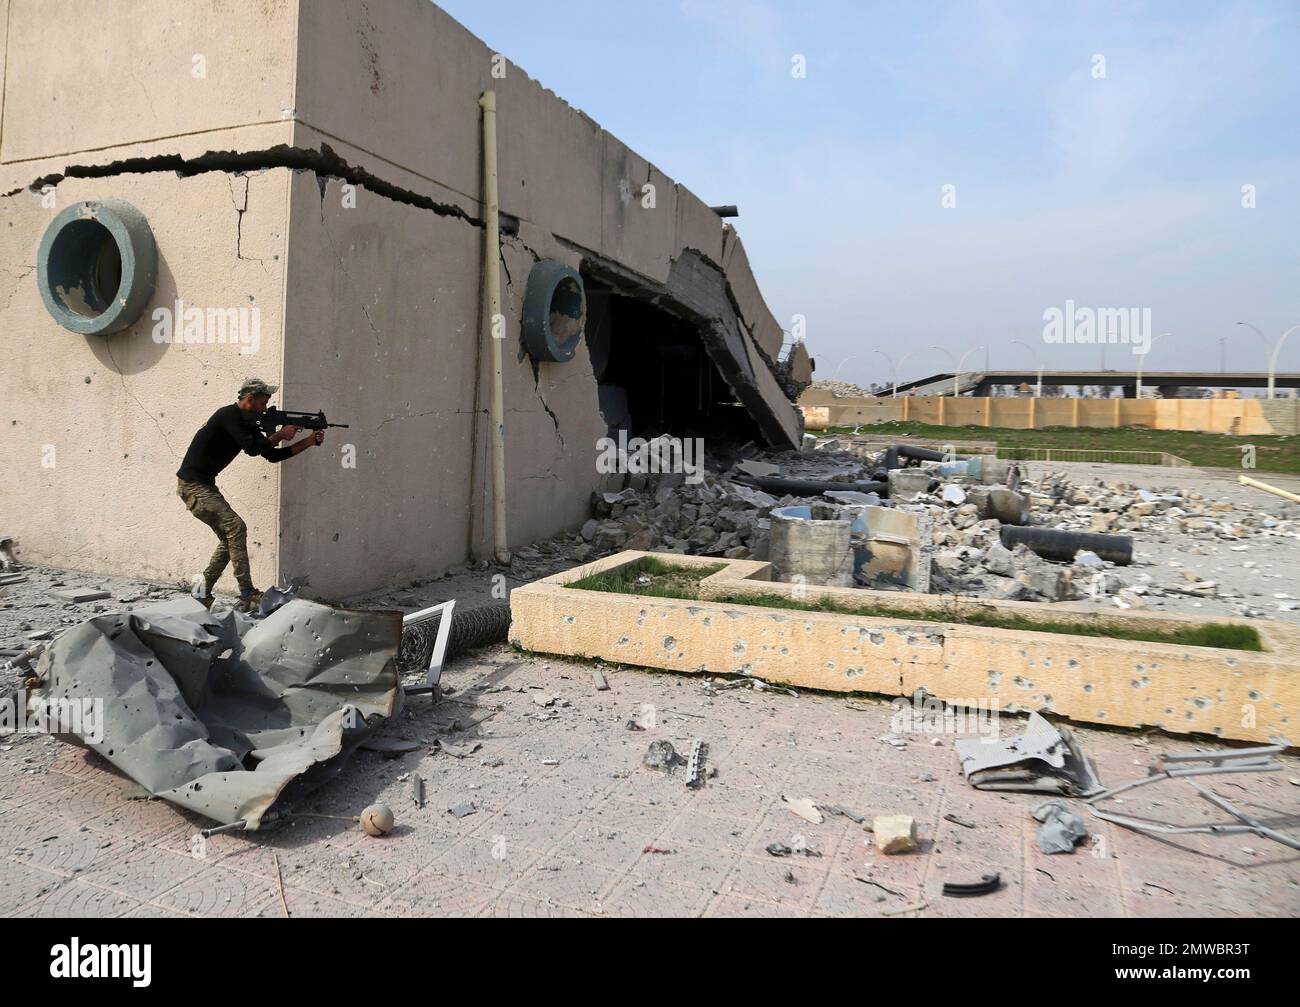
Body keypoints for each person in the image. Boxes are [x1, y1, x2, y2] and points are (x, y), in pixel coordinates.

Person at [176, 378, 324, 611]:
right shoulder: (228, 416)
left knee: (229, 539)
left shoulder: (248, 423)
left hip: (203, 485)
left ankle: (202, 593)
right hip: (192, 485)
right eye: (263, 403)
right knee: (236, 528)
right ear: (249, 399)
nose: (265, 408)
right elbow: (253, 448)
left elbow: (272, 455)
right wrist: (280, 434)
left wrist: (308, 441)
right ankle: (247, 593)